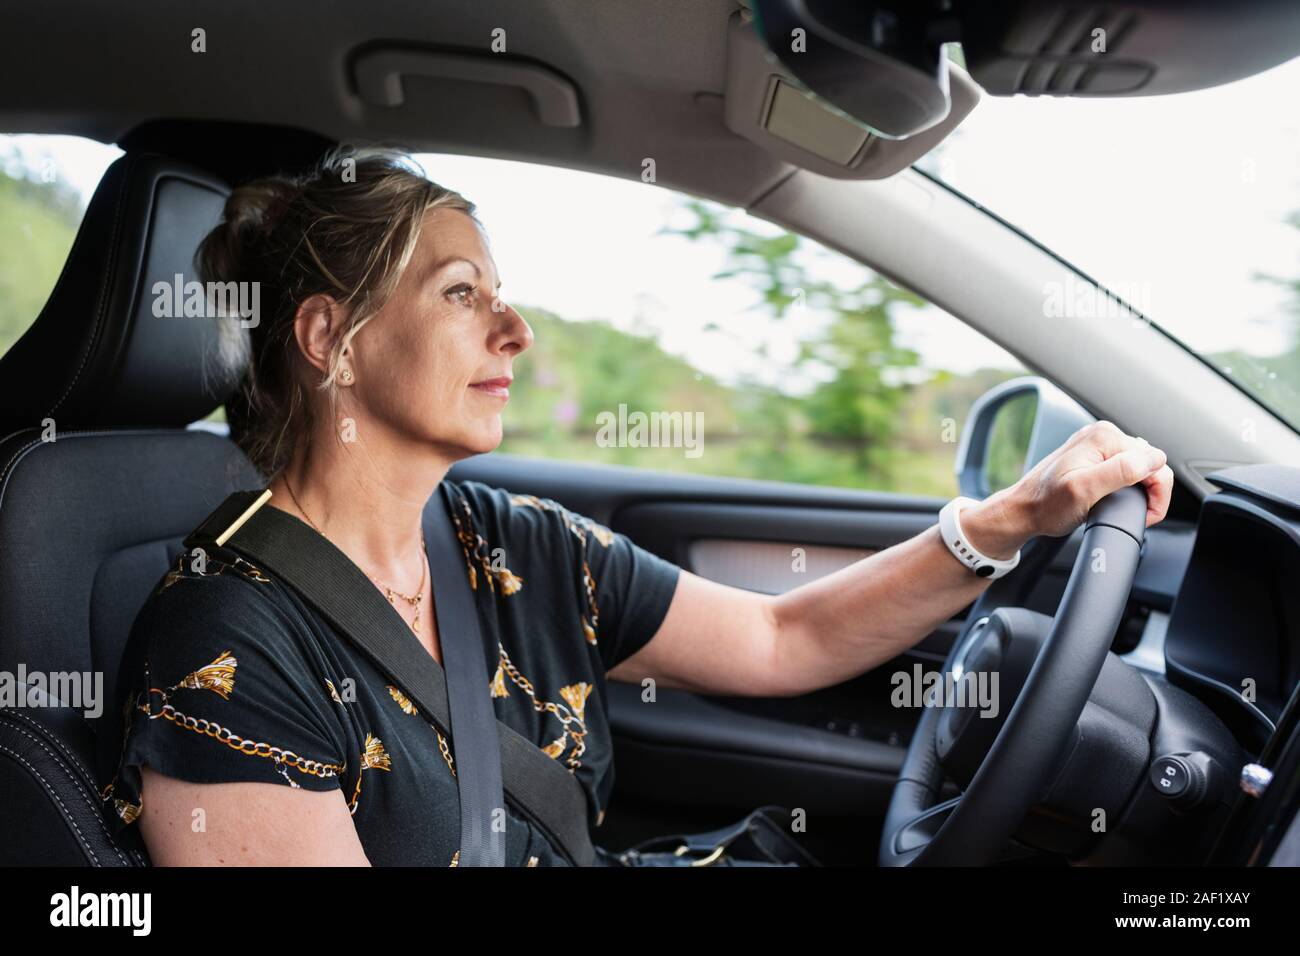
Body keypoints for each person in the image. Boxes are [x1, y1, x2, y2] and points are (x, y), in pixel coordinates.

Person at [96, 146, 1174, 866]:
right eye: (463, 293)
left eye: (502, 296)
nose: (515, 332)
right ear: (332, 339)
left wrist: (1001, 521)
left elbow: (779, 631)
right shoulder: (226, 641)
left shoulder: (504, 540)